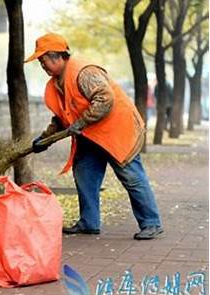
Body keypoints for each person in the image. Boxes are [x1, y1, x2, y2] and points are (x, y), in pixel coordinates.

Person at [25, 33, 163, 240]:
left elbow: (105, 99)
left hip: (118, 131)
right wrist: (43, 140)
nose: (42, 66)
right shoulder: (57, 83)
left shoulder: (84, 72)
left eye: (43, 60)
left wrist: (80, 123)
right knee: (84, 174)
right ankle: (89, 222)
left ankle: (151, 223)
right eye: (40, 63)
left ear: (57, 56)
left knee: (131, 177)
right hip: (91, 135)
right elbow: (62, 118)